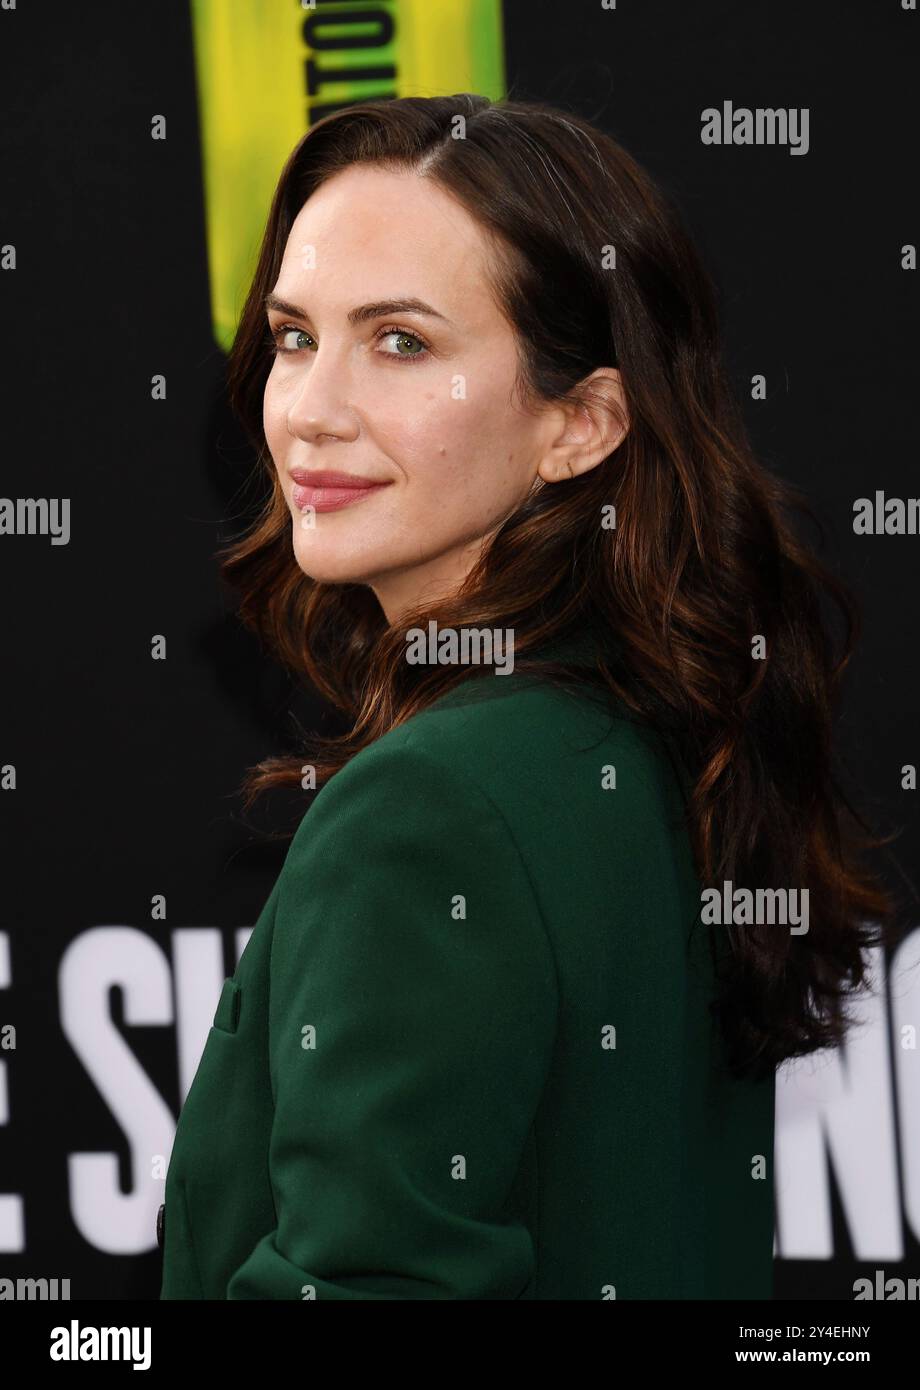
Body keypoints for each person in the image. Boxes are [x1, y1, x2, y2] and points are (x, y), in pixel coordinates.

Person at [159, 93, 897, 1300]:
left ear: (579, 422)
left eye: (401, 341)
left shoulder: (432, 806)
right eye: (294, 336)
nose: (309, 409)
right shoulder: (655, 739)